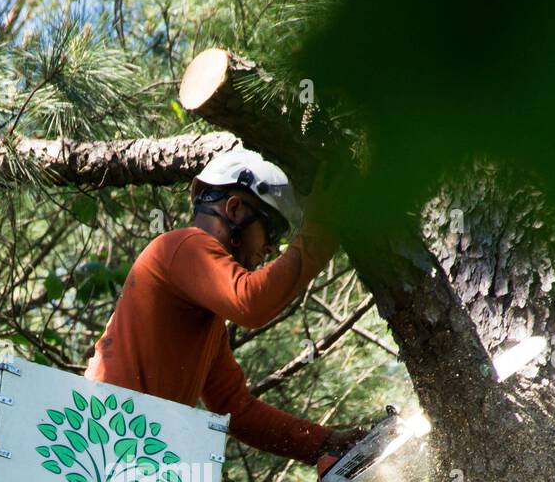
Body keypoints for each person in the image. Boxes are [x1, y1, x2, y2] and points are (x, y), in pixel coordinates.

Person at [83, 147, 367, 465]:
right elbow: (251, 302)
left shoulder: (207, 317)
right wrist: (323, 230)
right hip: (105, 439)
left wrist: (323, 444)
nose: (271, 249)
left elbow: (236, 408)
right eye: (270, 230)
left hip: (129, 446)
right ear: (234, 209)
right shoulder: (181, 246)